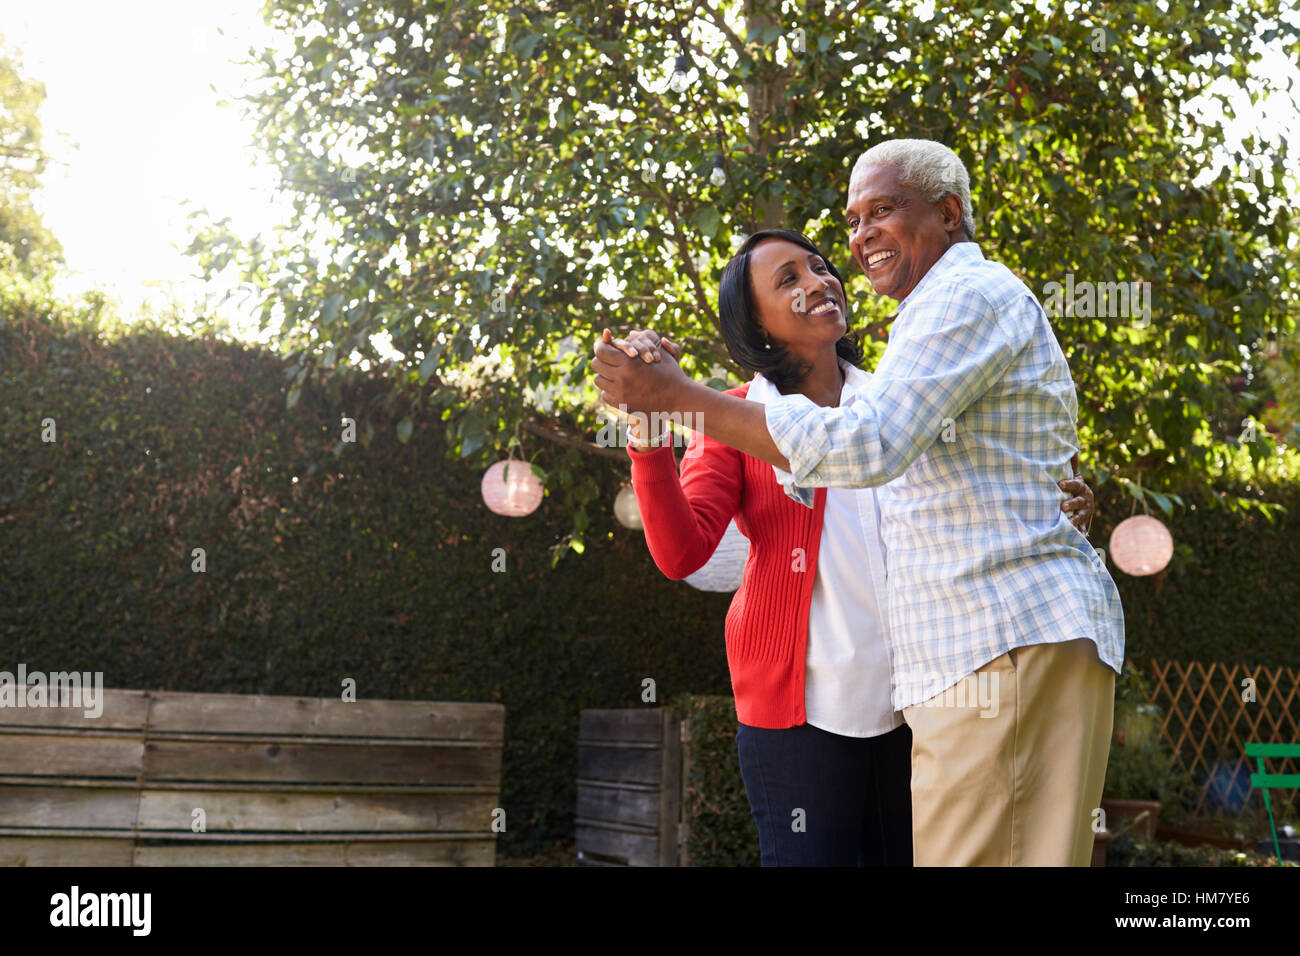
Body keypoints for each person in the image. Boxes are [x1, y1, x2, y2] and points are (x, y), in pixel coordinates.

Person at [591, 138, 1125, 867]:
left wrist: (1051, 499)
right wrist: (657, 431)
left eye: (817, 262)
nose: (820, 275)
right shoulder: (738, 417)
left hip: (918, 691)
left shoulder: (892, 395)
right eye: (788, 279)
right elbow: (683, 552)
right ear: (758, 328)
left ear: (946, 213)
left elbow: (925, 457)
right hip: (811, 714)